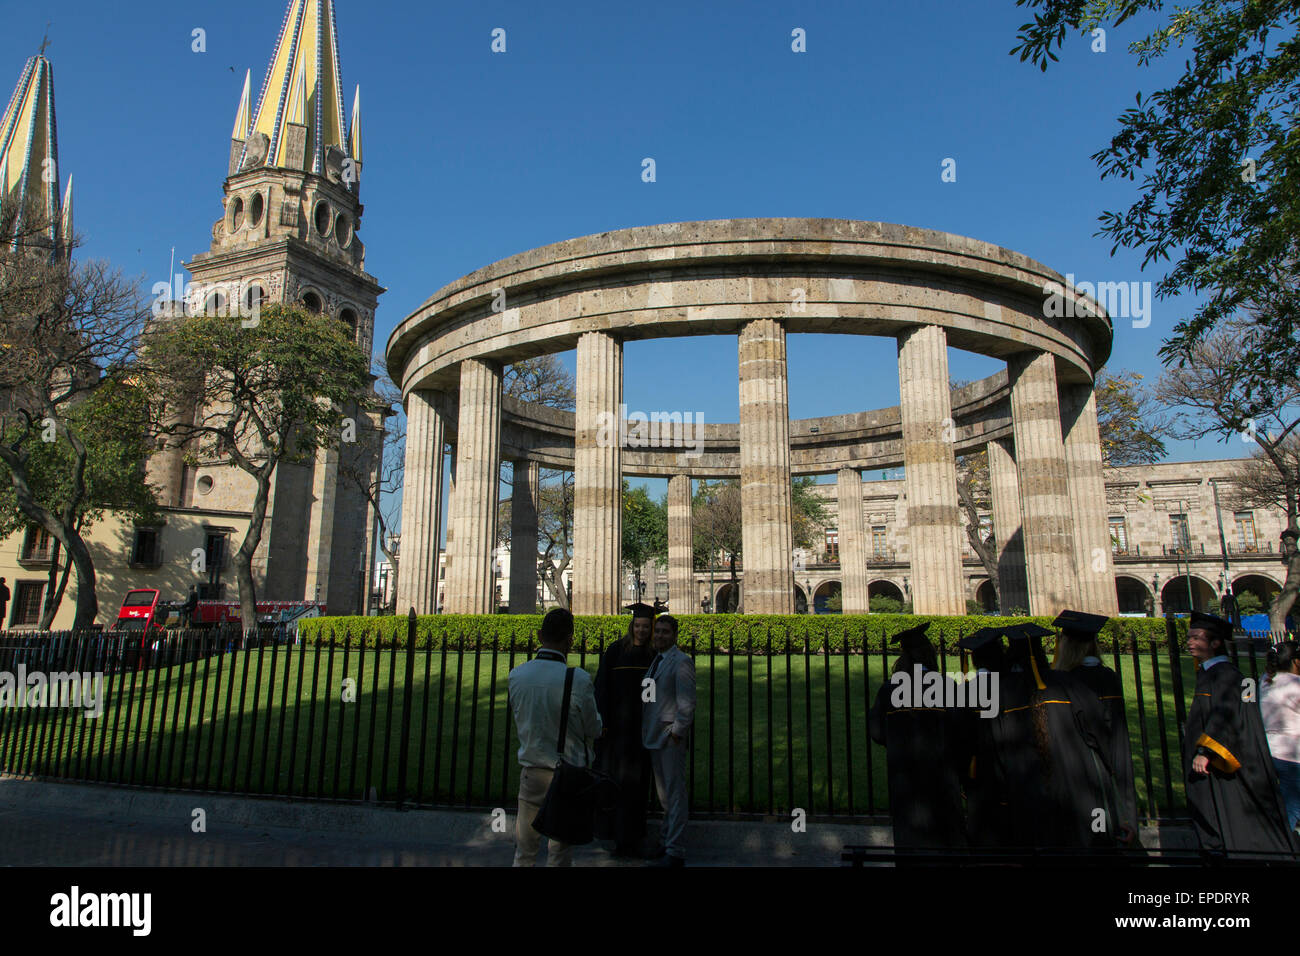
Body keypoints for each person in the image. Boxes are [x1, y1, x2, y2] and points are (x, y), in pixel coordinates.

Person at [1183, 610, 1297, 858]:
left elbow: (1228, 714)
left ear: (1215, 643)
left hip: (1221, 761)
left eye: (1197, 637)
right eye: (1189, 637)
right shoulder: (1215, 674)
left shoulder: (1226, 676)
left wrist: (1206, 751)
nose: (1190, 642)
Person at [507, 608, 602, 867]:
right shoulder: (578, 679)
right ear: (570, 639)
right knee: (559, 854)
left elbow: (520, 717)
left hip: (531, 773)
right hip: (567, 775)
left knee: (524, 852)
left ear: (539, 635)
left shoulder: (517, 676)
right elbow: (594, 729)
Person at [869, 622, 968, 859]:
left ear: (903, 657)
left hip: (906, 777)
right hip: (943, 777)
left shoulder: (890, 690)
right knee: (947, 839)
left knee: (909, 843)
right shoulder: (947, 687)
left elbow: (877, 733)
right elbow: (961, 731)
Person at [1053, 609, 1141, 849]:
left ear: (1066, 645)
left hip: (1078, 770)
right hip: (1108, 765)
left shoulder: (1063, 681)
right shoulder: (1107, 677)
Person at [593, 602, 659, 857]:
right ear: (632, 626)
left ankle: (634, 836)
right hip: (618, 730)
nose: (641, 630)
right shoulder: (615, 651)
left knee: (639, 786)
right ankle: (616, 835)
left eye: (645, 626)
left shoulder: (655, 654)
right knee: (616, 783)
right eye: (638, 625)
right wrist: (604, 722)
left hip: (642, 730)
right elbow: (602, 688)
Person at [641, 613, 695, 866]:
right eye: (658, 631)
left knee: (674, 793)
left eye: (665, 632)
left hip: (668, 737)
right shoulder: (657, 659)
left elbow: (687, 703)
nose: (660, 635)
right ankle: (665, 841)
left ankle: (676, 850)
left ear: (674, 636)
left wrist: (677, 732)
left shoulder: (681, 661)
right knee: (664, 795)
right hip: (654, 734)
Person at [957, 626, 1010, 847]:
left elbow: (957, 736)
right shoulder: (1015, 688)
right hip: (1015, 769)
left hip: (978, 770)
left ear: (975, 658)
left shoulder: (964, 692)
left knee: (981, 827)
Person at [1260, 640, 1300, 834]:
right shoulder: (1296, 685)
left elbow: (1246, 699)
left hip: (1266, 750)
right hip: (1292, 755)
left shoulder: (1263, 680)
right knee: (1292, 807)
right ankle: (1281, 849)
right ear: (1296, 661)